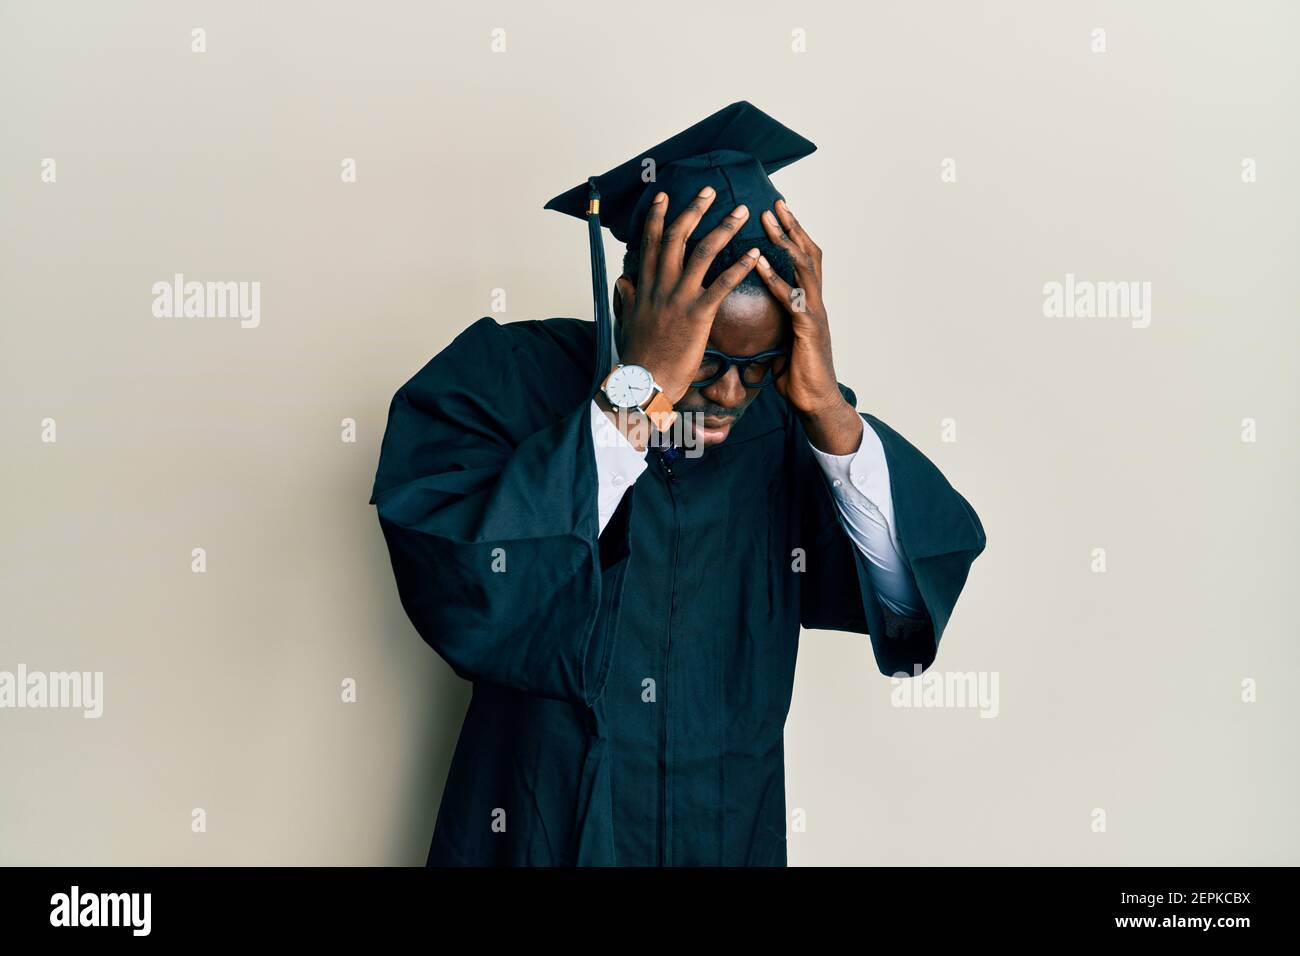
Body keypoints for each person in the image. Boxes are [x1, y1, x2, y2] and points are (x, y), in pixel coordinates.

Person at [369, 101, 987, 866]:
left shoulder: (789, 427)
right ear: (632, 308)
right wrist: (639, 393)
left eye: (757, 367)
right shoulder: (507, 381)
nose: (730, 394)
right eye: (705, 361)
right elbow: (466, 591)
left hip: (725, 830)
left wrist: (826, 407)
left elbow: (903, 601)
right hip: (540, 832)